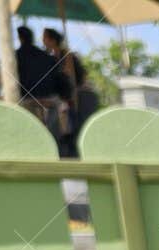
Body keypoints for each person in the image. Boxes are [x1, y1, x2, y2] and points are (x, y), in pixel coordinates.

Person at [44, 27, 94, 155]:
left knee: (70, 134)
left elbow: (77, 78)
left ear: (52, 40)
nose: (43, 41)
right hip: (61, 100)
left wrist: (73, 97)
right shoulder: (52, 58)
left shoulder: (67, 56)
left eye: (45, 38)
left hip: (73, 100)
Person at [15, 24, 68, 103]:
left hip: (27, 101)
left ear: (20, 38)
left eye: (45, 37)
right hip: (50, 99)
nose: (43, 40)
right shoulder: (48, 57)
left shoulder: (16, 56)